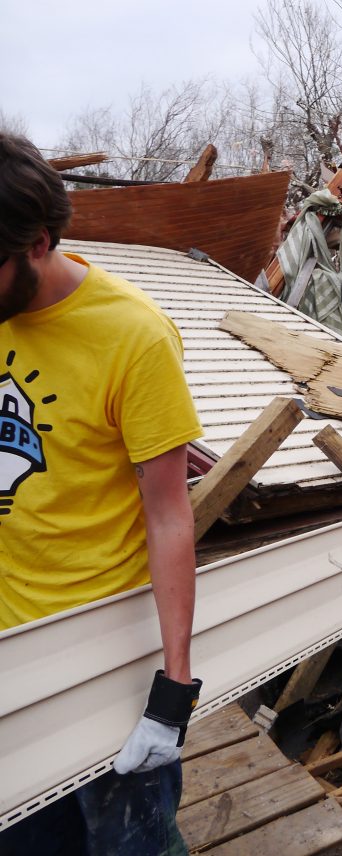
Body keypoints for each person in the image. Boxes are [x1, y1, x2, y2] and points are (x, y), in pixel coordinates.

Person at [0, 133, 203, 854]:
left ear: (37, 244)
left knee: (132, 844)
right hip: (11, 656)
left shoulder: (134, 337)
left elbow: (170, 517)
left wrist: (172, 695)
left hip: (103, 658)